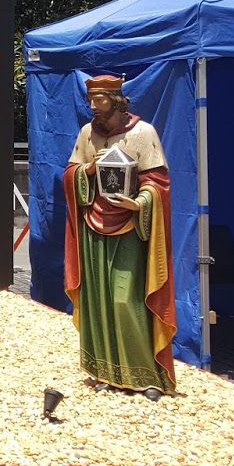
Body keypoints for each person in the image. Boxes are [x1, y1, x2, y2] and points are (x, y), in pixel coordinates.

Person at [63, 75, 176, 399]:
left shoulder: (143, 133)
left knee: (125, 299)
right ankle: (107, 370)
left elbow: (158, 183)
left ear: (116, 99)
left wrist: (138, 202)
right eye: (91, 101)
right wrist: (86, 171)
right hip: (92, 227)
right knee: (99, 301)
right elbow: (70, 173)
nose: (93, 107)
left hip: (128, 227)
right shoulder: (88, 134)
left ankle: (146, 375)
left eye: (99, 100)